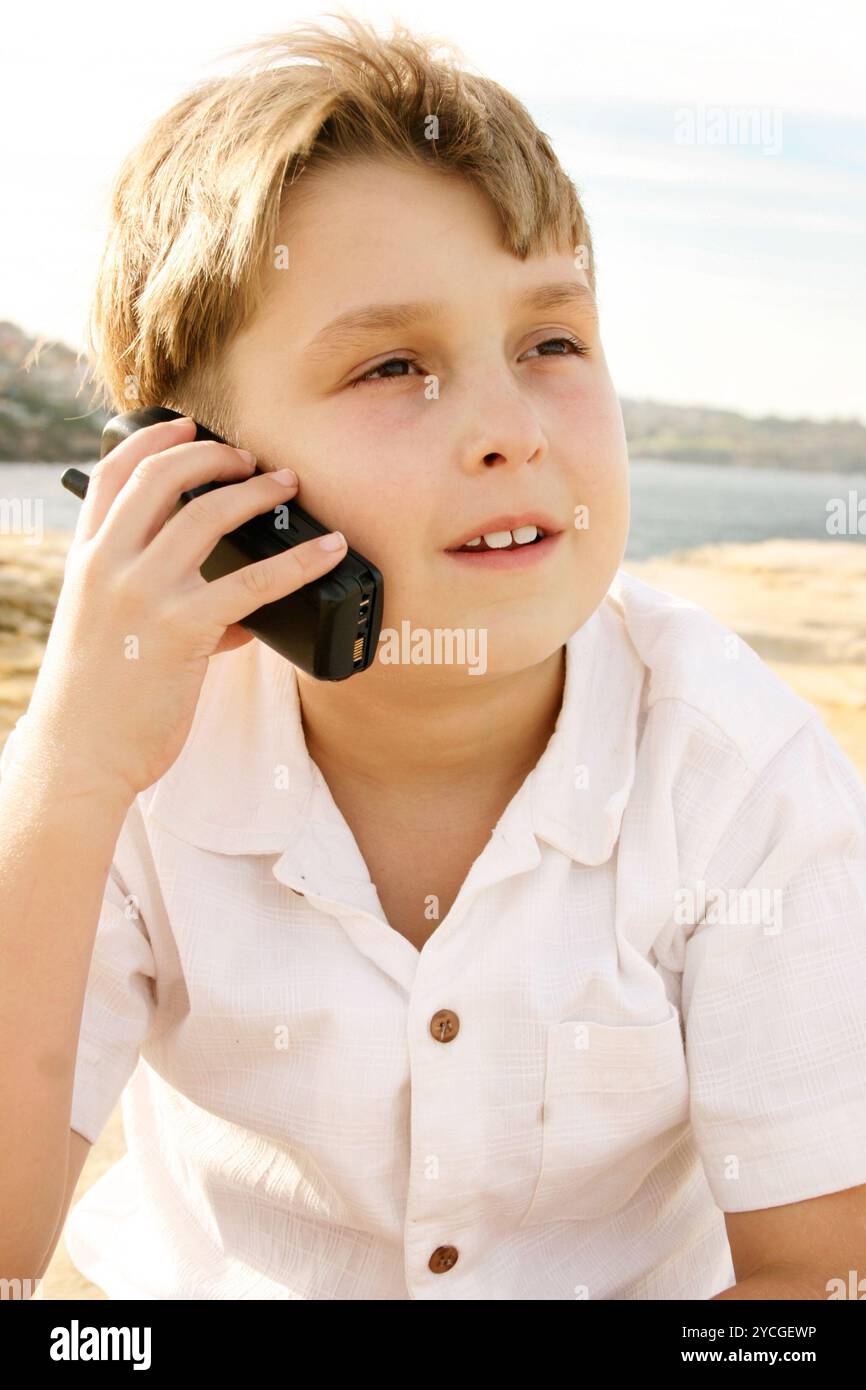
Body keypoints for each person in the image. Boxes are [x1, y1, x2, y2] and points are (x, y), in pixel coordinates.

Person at [2, 14, 866, 1301]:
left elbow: (806, 1279)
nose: (508, 428)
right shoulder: (134, 756)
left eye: (550, 343)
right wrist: (70, 769)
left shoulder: (734, 770)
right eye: (393, 364)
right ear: (196, 472)